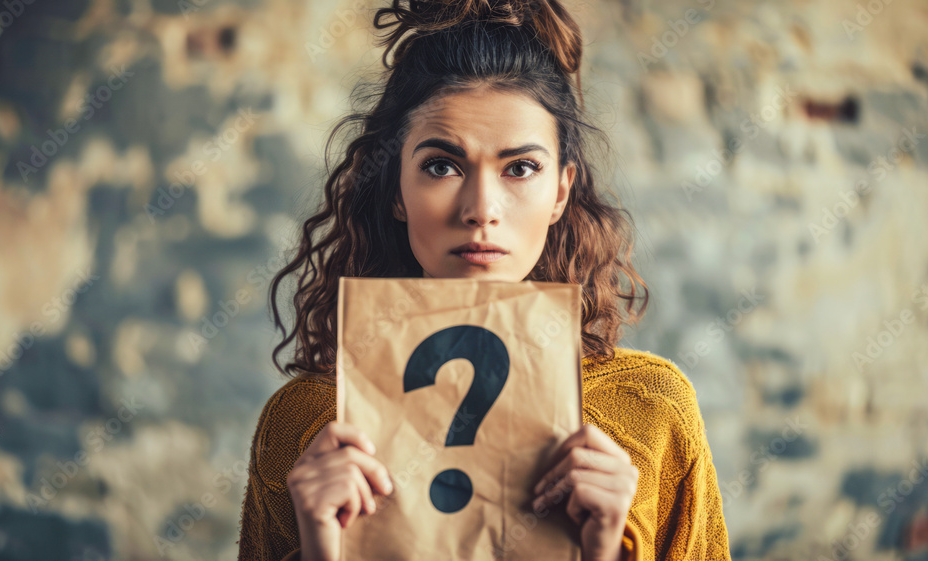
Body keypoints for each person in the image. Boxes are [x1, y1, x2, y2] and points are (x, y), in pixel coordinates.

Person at [236, 1, 731, 560]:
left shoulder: (652, 411)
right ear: (396, 190)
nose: (481, 209)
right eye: (442, 165)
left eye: (520, 168)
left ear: (561, 191)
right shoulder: (302, 424)